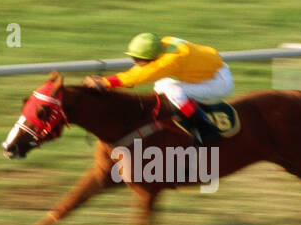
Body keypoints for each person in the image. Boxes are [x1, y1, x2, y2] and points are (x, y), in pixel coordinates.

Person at [86, 33, 234, 144]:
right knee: (161, 85)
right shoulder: (165, 43)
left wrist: (105, 82)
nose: (134, 62)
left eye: (137, 59)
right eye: (133, 58)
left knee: (173, 91)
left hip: (218, 82)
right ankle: (170, 119)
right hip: (211, 73)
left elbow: (140, 75)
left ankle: (206, 128)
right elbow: (142, 71)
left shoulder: (170, 61)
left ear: (152, 57)